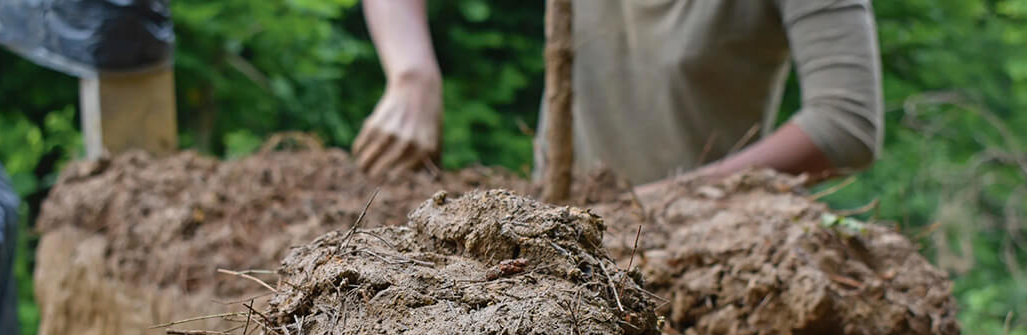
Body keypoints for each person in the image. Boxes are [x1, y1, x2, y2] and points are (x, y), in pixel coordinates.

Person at [351, 0, 884, 196]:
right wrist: (413, 73)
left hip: (698, 253)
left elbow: (845, 123)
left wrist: (664, 202)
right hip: (556, 236)